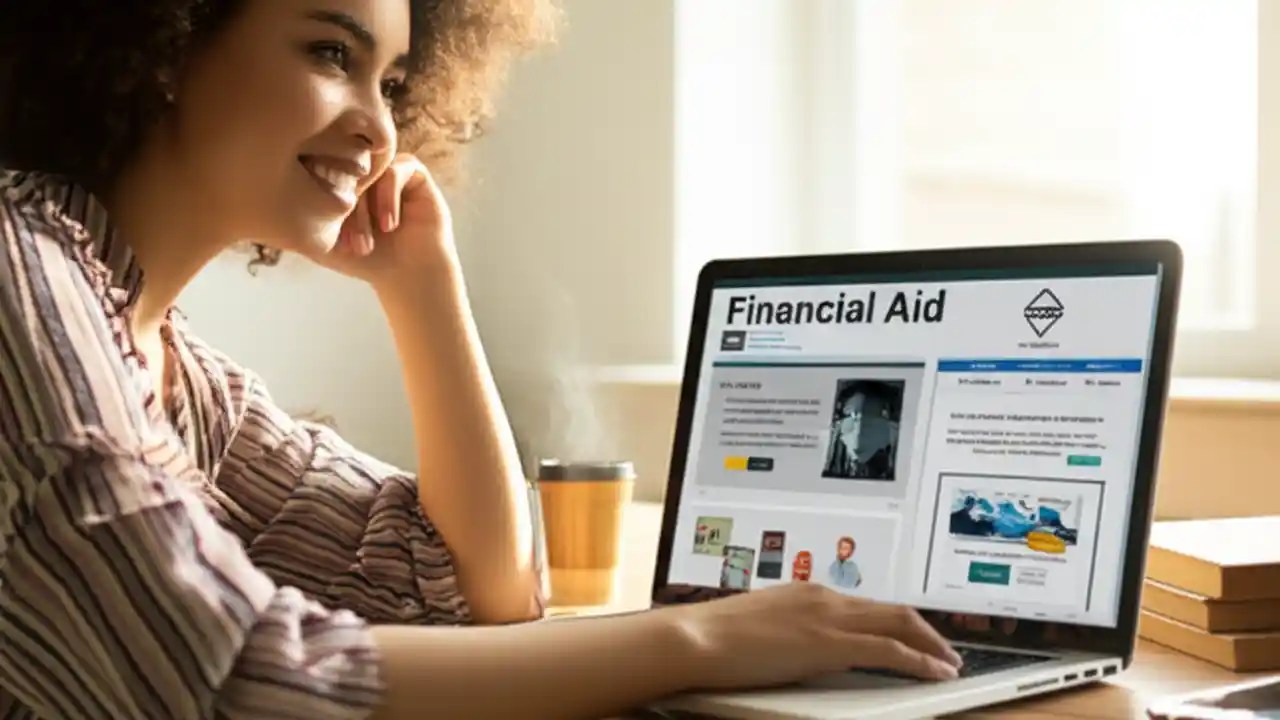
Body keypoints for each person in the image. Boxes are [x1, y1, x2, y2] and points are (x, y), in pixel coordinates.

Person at [0, 2, 963, 718]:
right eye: (331, 53)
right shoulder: (20, 276)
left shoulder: (173, 369)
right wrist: (698, 636)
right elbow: (239, 679)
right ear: (169, 41)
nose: (380, 129)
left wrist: (423, 285)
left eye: (393, 84)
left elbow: (473, 590)